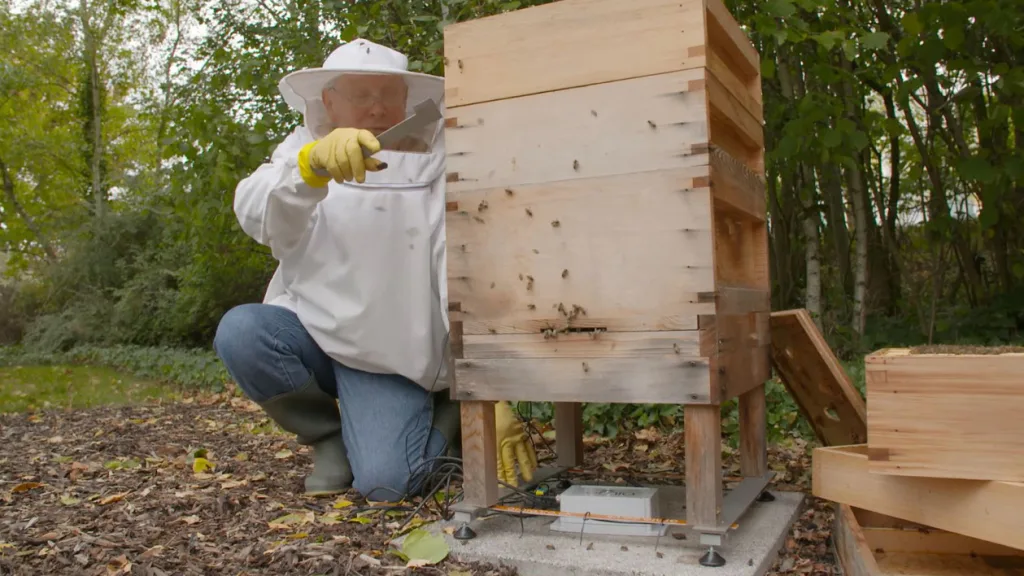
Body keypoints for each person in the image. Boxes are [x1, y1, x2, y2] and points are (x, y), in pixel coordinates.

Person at [212, 39, 537, 503]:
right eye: (360, 95)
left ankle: (448, 411)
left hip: (400, 357)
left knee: (389, 484)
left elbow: (461, 268)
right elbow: (256, 212)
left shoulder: (447, 154)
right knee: (242, 331)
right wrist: (311, 168)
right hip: (316, 334)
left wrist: (485, 390)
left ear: (407, 98)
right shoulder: (303, 147)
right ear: (330, 100)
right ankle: (328, 439)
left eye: (387, 93)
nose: (377, 107)